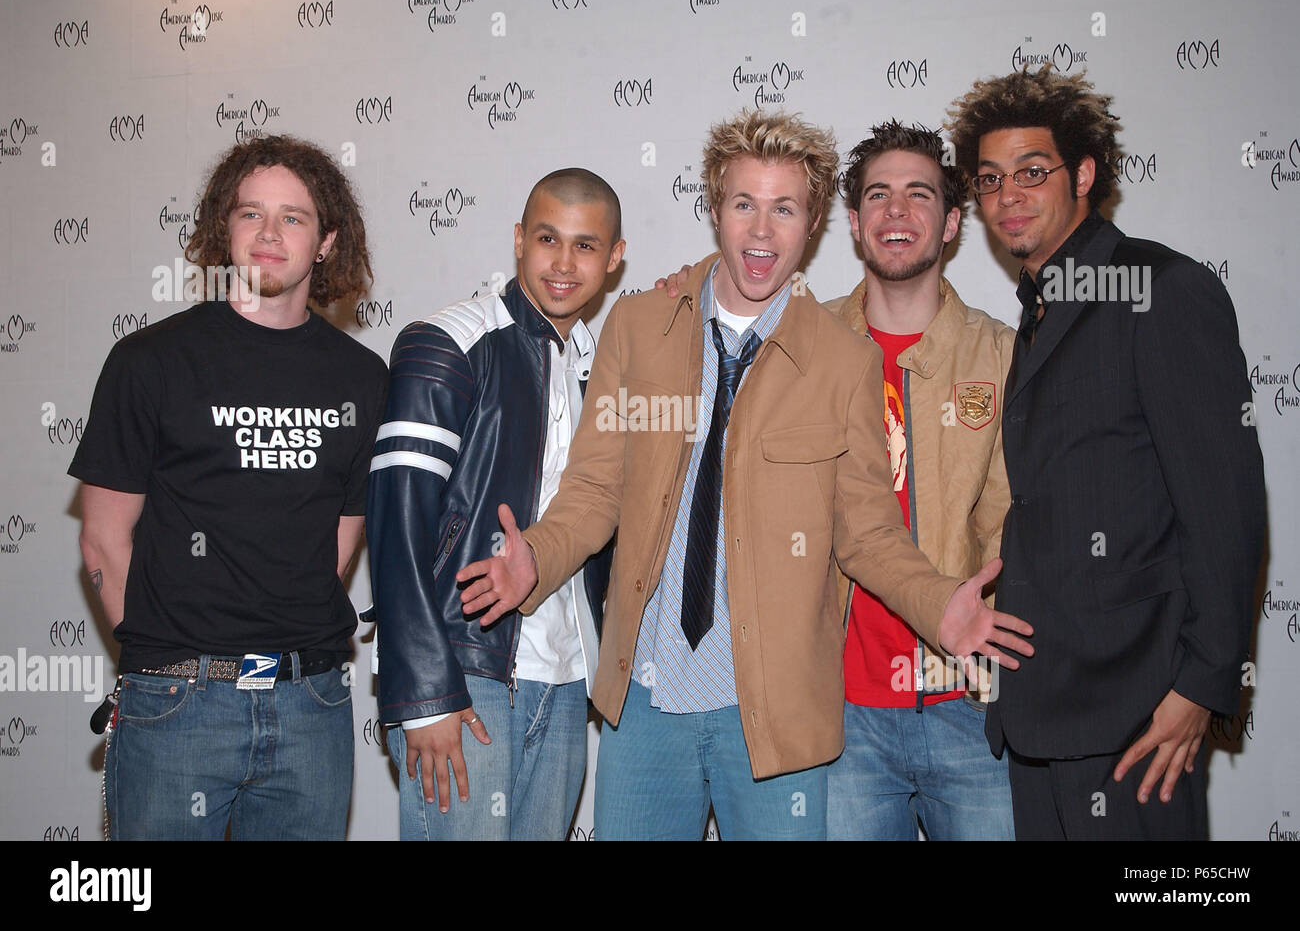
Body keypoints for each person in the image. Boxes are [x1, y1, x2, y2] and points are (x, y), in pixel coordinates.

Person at [456, 110, 1033, 840]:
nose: (762, 233)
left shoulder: (841, 360)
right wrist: (535, 556)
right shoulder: (638, 328)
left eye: (784, 208)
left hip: (775, 720)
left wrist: (937, 603)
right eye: (744, 205)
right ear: (716, 211)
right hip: (645, 710)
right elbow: (596, 492)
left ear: (815, 222)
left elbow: (866, 532)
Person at [945, 66, 1266, 839]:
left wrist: (1200, 686)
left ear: (1084, 172)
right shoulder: (1038, 310)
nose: (1007, 196)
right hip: (1039, 712)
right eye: (990, 180)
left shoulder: (1160, 289)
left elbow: (1226, 510)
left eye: (1031, 172)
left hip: (1136, 714)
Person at [71, 135, 388, 840]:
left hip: (311, 701)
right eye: (251, 214)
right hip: (176, 704)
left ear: (327, 239)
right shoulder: (148, 361)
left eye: (294, 217)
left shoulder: (363, 379)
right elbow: (102, 535)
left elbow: (336, 543)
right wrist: (167, 662)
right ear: (225, 228)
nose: (269, 234)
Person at [367, 169, 624, 840]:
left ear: (615, 258)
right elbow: (395, 526)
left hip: (565, 683)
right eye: (547, 239)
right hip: (465, 671)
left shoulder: (602, 366)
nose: (564, 264)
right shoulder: (448, 342)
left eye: (586, 246)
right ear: (518, 240)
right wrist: (424, 694)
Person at [821, 120, 1016, 840]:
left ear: (953, 222)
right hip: (841, 721)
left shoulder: (1004, 355)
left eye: (918, 195)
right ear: (852, 221)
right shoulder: (803, 348)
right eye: (878, 195)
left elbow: (1018, 524)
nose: (896, 212)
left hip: (967, 704)